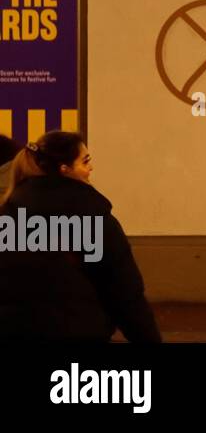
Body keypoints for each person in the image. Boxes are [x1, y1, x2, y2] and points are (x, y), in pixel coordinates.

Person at [0, 131, 162, 343]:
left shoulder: (8, 216)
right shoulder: (93, 219)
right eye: (85, 161)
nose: (91, 168)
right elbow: (126, 296)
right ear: (64, 169)